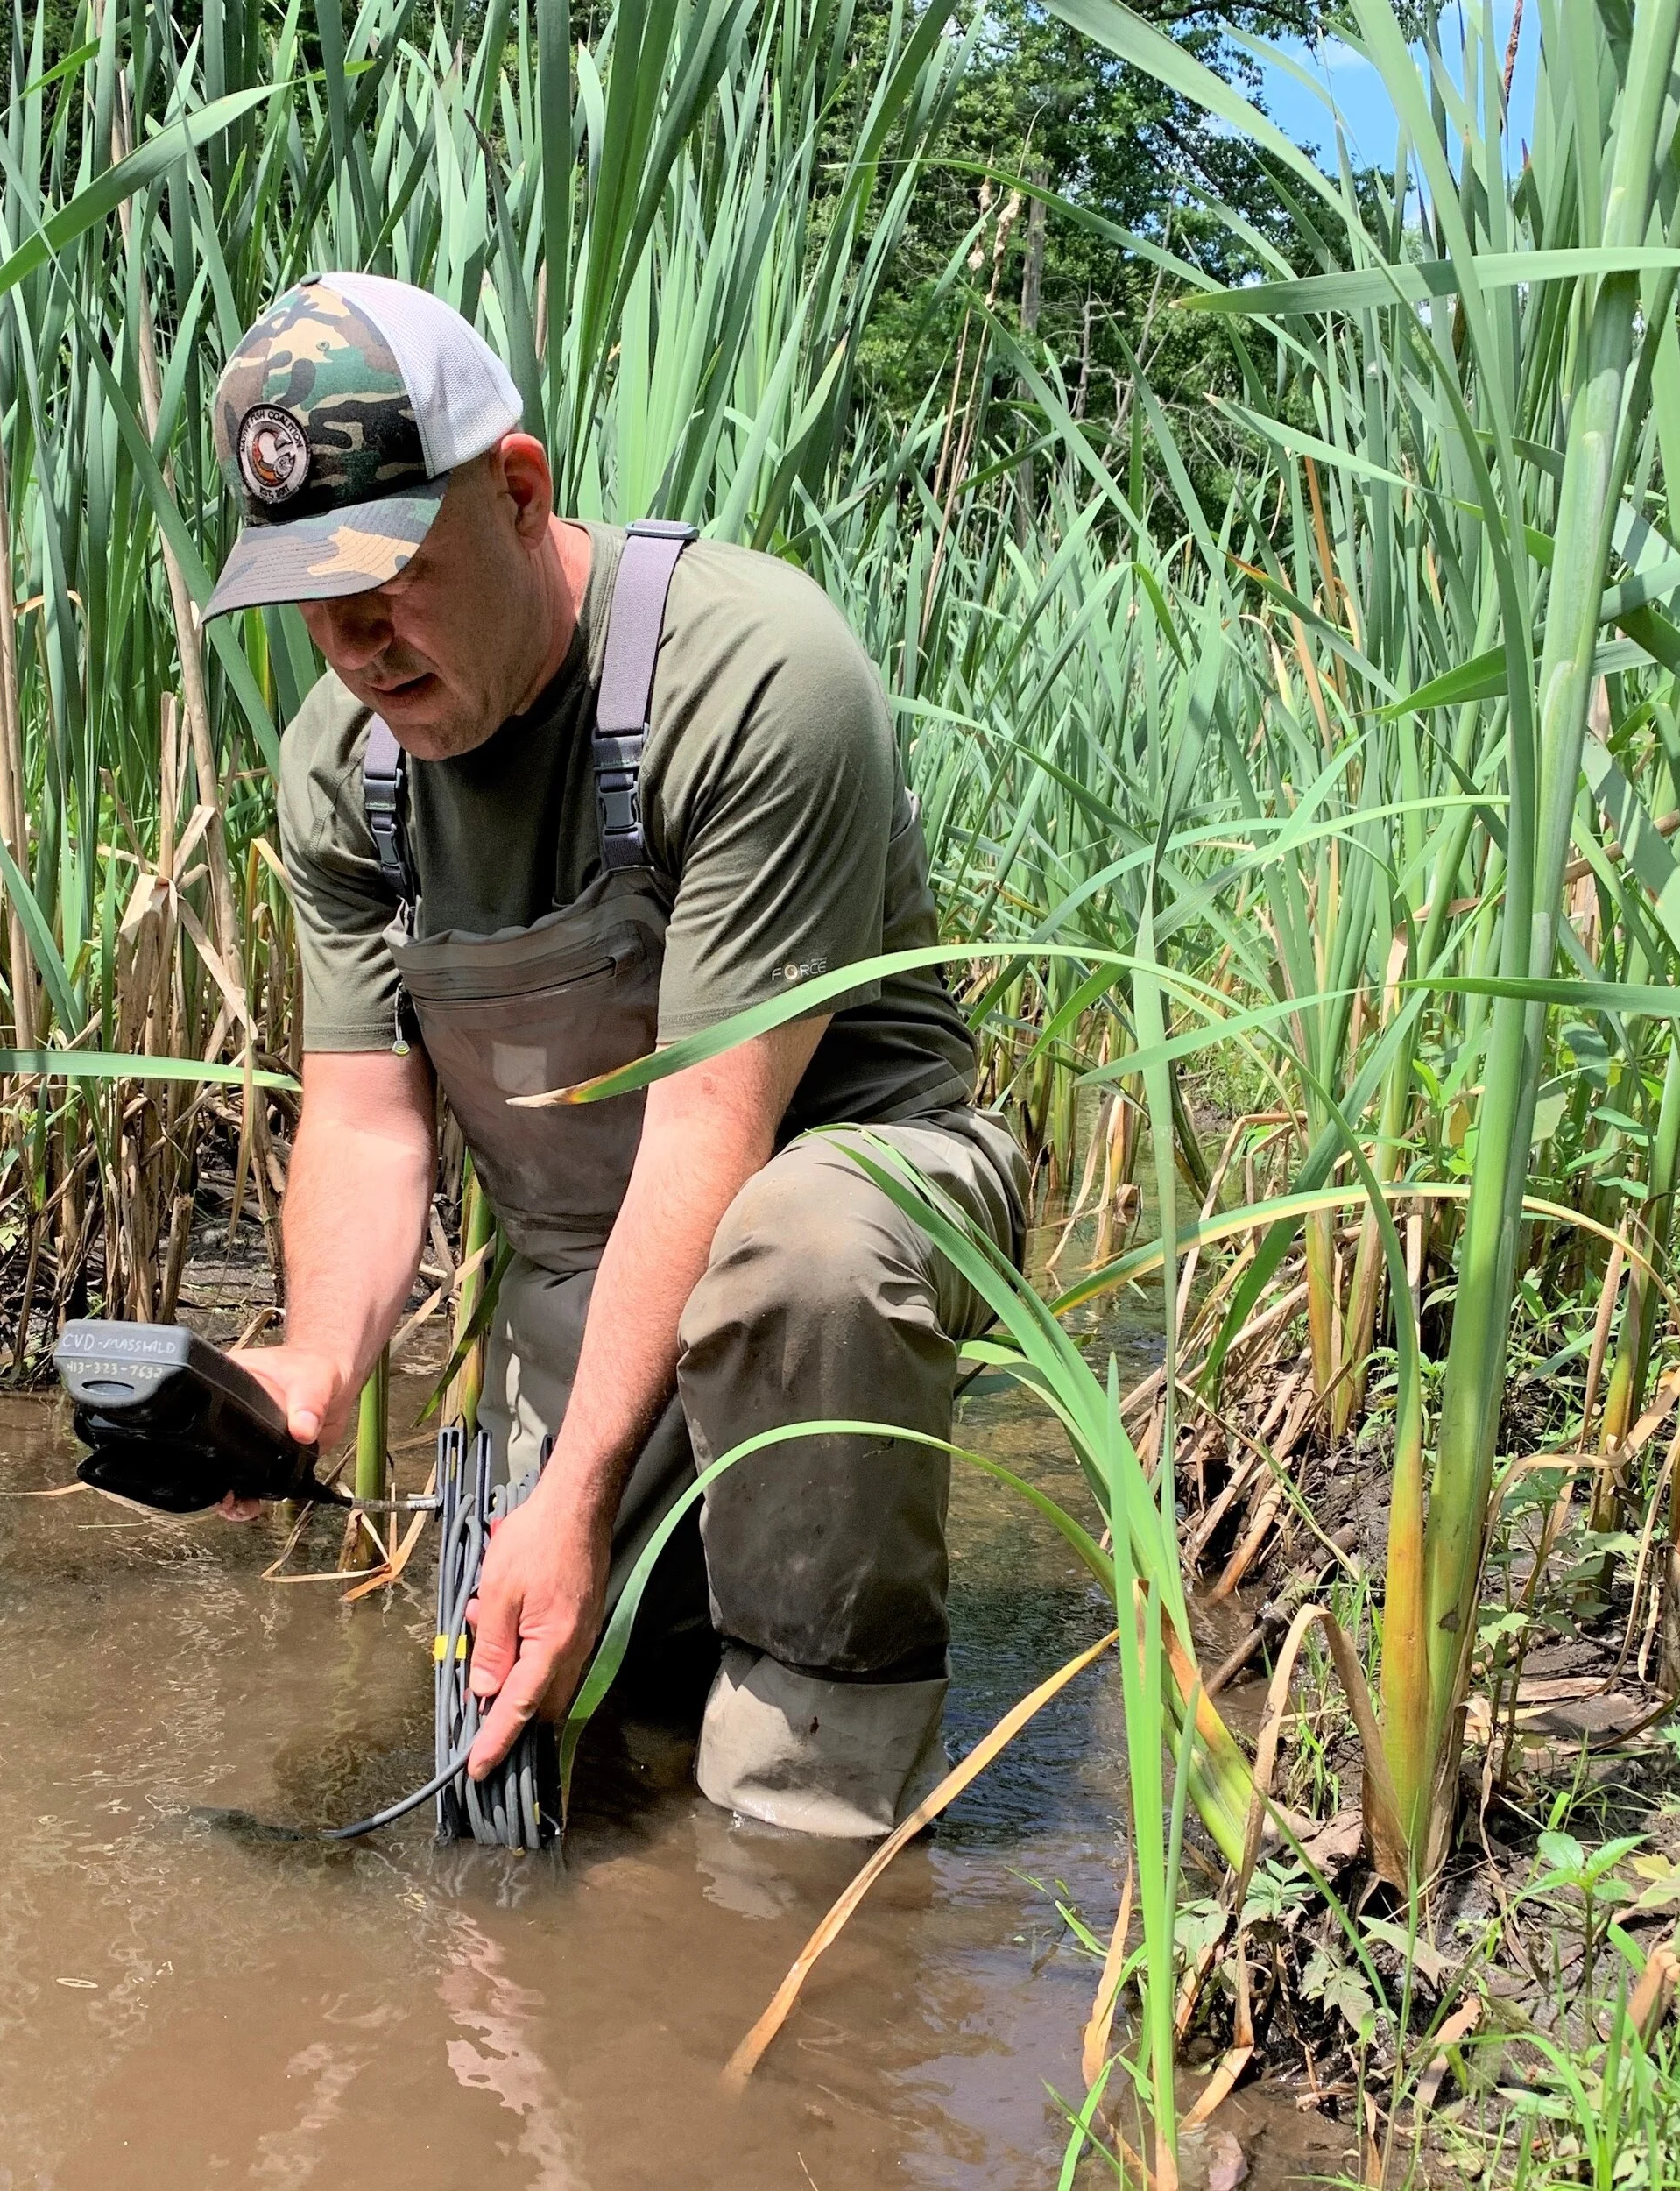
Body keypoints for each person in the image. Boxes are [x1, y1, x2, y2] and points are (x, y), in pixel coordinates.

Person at [209, 271, 1027, 1837]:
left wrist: (575, 1497)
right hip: (588, 1267)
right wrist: (316, 1364)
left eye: (388, 577)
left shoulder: (754, 674)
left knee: (805, 1255)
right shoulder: (341, 772)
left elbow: (710, 1140)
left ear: (517, 492)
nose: (354, 643)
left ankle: (814, 1827)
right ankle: (687, 1602)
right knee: (541, 1755)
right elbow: (371, 1131)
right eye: (307, 599)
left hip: (833, 1195)